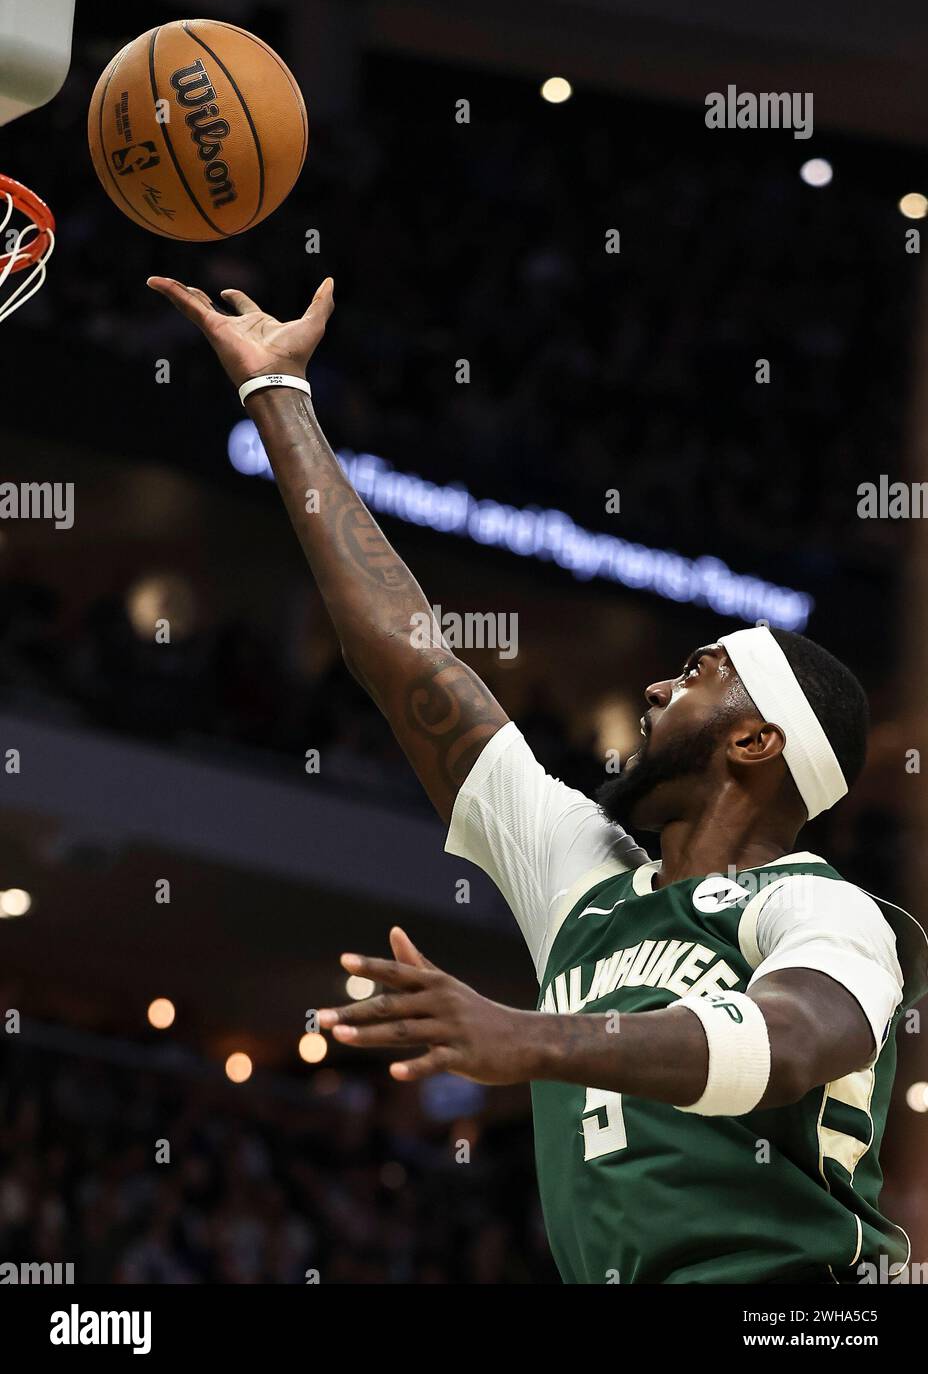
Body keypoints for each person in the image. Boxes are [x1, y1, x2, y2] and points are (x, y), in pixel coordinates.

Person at [148, 274, 927, 1285]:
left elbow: (785, 1043)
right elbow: (410, 658)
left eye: (696, 674)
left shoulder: (821, 908)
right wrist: (279, 398)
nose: (655, 685)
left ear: (756, 741)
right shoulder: (586, 878)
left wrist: (530, 1036)